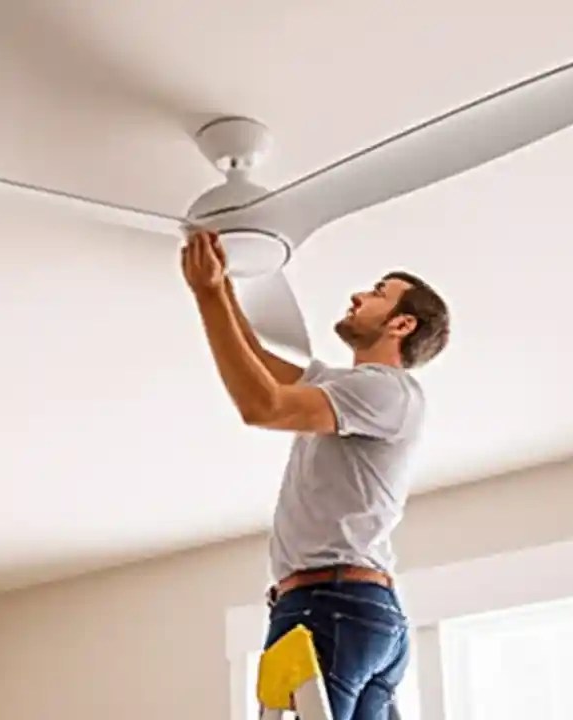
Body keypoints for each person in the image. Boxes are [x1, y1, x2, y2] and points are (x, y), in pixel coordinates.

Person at [181, 228, 450, 719]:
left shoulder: (387, 390)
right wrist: (222, 287)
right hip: (357, 609)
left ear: (402, 323)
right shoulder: (349, 388)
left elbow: (262, 405)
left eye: (378, 293)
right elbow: (259, 364)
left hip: (329, 604)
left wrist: (207, 293)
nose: (359, 296)